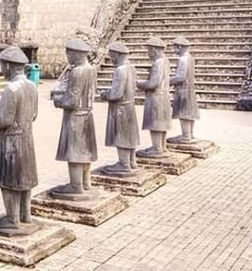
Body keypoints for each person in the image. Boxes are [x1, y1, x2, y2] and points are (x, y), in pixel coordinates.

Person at [0, 45, 38, 231]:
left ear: (8, 65)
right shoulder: (31, 86)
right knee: (25, 178)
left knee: (9, 181)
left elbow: (4, 119)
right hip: (27, 139)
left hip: (11, 142)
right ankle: (26, 214)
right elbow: (34, 115)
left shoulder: (12, 89)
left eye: (2, 65)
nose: (1, 69)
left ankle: (12, 218)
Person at [52, 38, 98, 199]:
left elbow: (71, 101)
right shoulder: (91, 69)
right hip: (87, 114)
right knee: (85, 151)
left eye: (68, 53)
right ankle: (86, 182)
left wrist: (58, 101)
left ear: (75, 53)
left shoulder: (77, 71)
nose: (67, 57)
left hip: (75, 117)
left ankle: (75, 185)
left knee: (74, 152)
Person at [100, 42, 140, 173]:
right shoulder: (131, 67)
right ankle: (131, 161)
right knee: (130, 135)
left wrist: (105, 94)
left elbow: (116, 94)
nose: (111, 58)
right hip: (130, 106)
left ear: (116, 54)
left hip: (121, 108)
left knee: (122, 136)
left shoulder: (120, 70)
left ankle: (124, 164)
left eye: (111, 55)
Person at [137, 37, 172, 156]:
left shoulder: (158, 63)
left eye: (148, 50)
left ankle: (157, 148)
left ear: (154, 49)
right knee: (161, 123)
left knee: (156, 123)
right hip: (164, 96)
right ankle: (161, 146)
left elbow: (153, 83)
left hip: (156, 97)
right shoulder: (165, 61)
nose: (148, 53)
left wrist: (140, 84)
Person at [170, 37, 199, 143]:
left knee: (184, 112)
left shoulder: (182, 59)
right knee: (189, 111)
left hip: (183, 88)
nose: (173, 49)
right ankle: (189, 133)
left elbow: (180, 77)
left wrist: (168, 81)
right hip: (190, 87)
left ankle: (186, 135)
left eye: (174, 47)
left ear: (180, 46)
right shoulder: (190, 57)